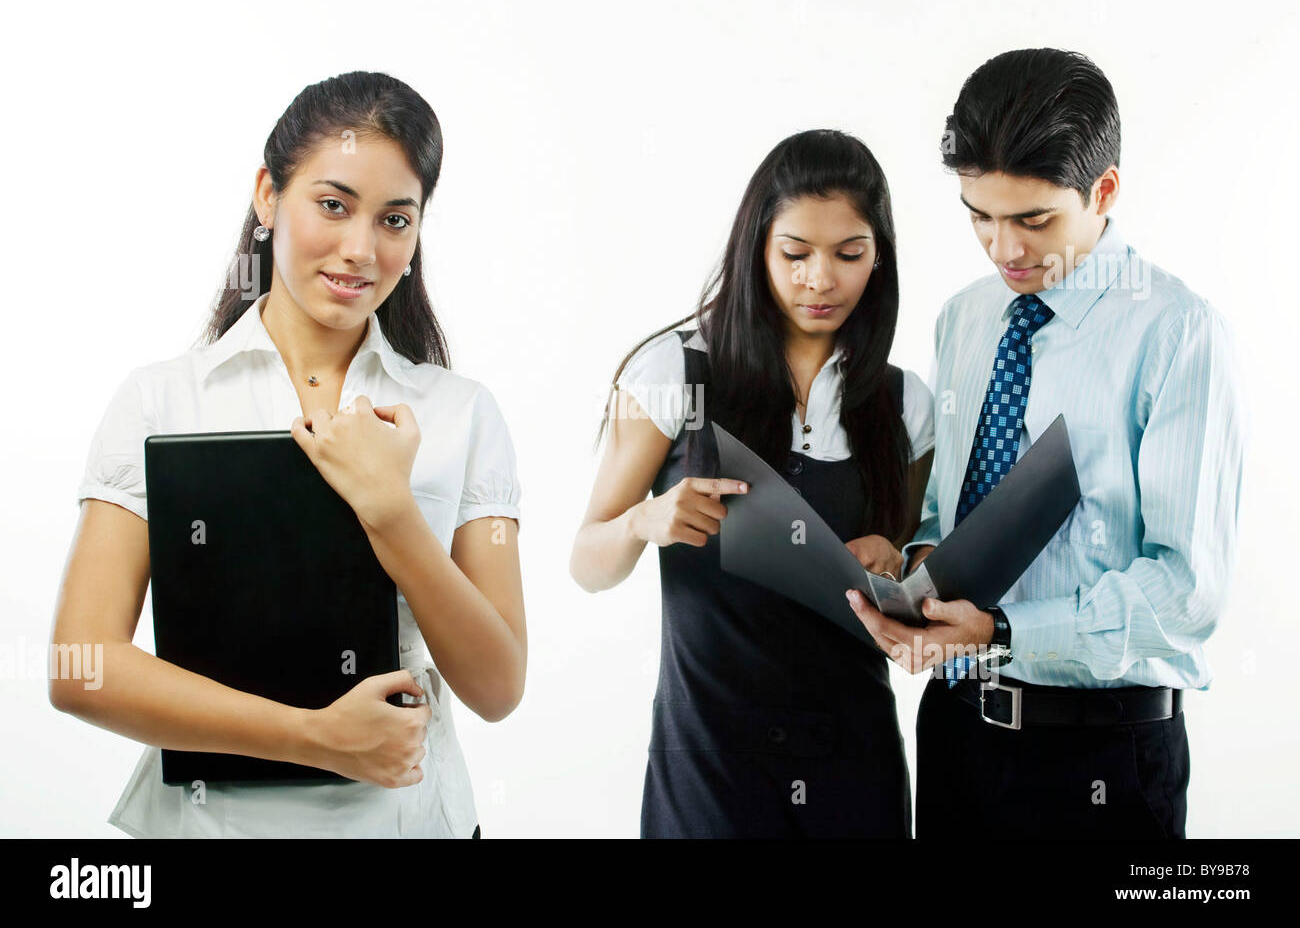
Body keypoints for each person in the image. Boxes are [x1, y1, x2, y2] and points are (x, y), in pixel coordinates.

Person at [50, 71, 525, 838]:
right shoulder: (162, 401)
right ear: (268, 195)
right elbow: (82, 667)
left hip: (407, 824)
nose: (360, 249)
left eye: (395, 220)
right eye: (332, 205)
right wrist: (317, 739)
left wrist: (392, 513)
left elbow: (498, 687)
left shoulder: (459, 412)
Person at [847, 48, 1246, 838]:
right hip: (958, 732)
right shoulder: (965, 318)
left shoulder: (1177, 332)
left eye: (1033, 220)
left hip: (1103, 755)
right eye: (979, 215)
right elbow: (948, 507)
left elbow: (1188, 593)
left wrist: (1003, 631)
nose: (1004, 250)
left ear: (1105, 192)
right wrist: (913, 568)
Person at [571, 129, 935, 837]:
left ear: (879, 257)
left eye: (849, 255)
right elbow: (587, 561)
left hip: (853, 763)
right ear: (756, 248)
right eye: (795, 254)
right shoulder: (675, 372)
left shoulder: (906, 404)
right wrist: (645, 522)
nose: (819, 280)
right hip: (709, 765)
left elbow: (919, 569)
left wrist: (898, 564)